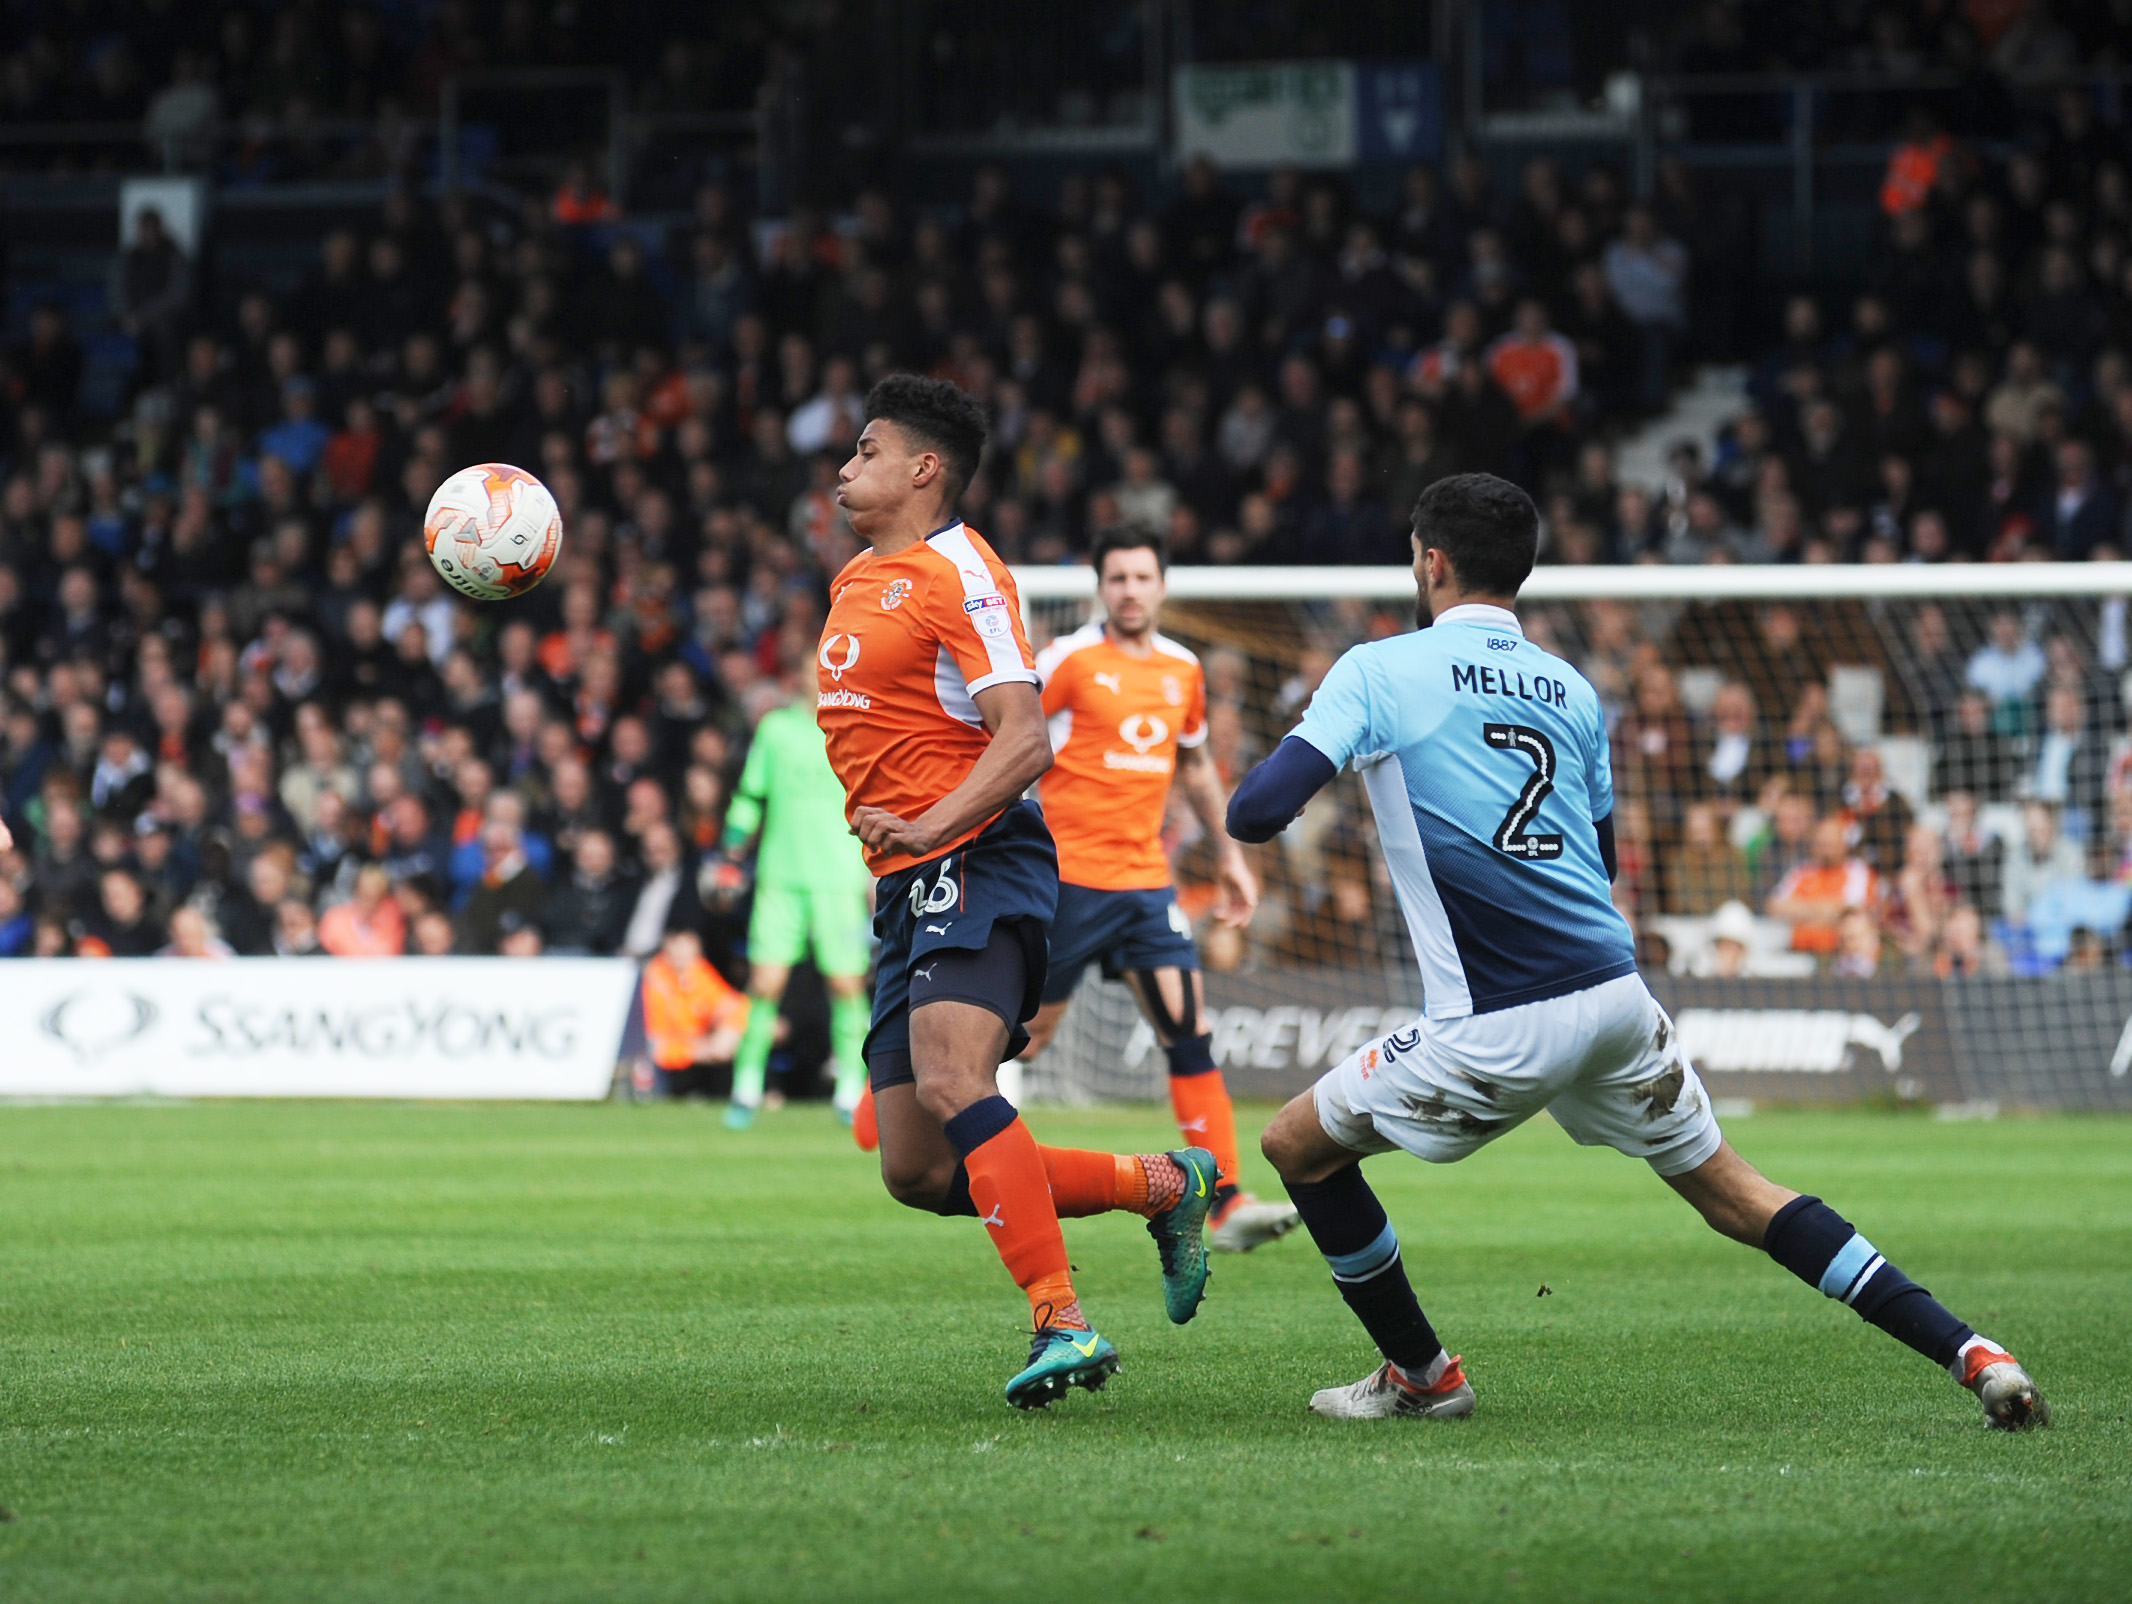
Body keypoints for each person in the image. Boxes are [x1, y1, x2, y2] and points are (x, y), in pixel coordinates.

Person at [1226, 473, 2044, 1430]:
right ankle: (1972, 1351)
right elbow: (1604, 857)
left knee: (1296, 1147)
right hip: (1616, 999)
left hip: (1497, 1016)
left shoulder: (1377, 671)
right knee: (1741, 1196)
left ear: (1429, 561)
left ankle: (1421, 1375)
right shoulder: (1572, 689)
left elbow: (1254, 813)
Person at [816, 374, 1217, 1410]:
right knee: (914, 1166)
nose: (843, 469)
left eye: (863, 451)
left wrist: (931, 822)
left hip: (978, 858)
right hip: (905, 878)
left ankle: (1062, 1318)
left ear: (923, 467)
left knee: (956, 1080)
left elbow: (1026, 736)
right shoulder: (858, 576)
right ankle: (1159, 1183)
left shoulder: (966, 575)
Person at [1018, 526, 1297, 1252]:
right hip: (1068, 881)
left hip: (1146, 884)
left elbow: (1197, 767)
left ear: (1163, 586)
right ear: (1100, 588)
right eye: (1118, 579)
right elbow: (1008, 739)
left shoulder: (1183, 670)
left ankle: (1228, 1203)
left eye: (1143, 578)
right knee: (1027, 1038)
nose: (1131, 591)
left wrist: (1233, 858)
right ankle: (902, 1083)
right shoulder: (1068, 661)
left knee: (1188, 1030)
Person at [719, 692, 875, 1129]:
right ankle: (745, 1088)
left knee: (846, 985)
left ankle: (850, 1090)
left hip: (839, 878)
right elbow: (750, 795)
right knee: (765, 984)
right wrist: (732, 849)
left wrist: (876, 868)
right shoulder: (776, 730)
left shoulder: (856, 725)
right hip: (781, 877)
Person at [641, 924, 750, 1098]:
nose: (682, 953)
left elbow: (735, 1006)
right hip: (668, 1064)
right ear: (667, 946)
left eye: (688, 946)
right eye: (678, 945)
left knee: (747, 1034)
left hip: (698, 1053)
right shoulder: (655, 978)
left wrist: (727, 1032)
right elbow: (656, 1046)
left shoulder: (698, 972)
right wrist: (697, 1049)